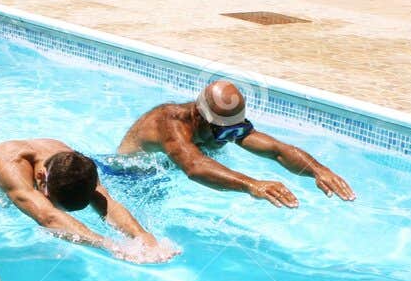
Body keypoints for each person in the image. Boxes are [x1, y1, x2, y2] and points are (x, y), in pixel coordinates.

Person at [117, 79, 355, 207]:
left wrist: (317, 170)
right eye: (223, 132)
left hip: (165, 173)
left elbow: (275, 150)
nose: (229, 137)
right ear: (200, 115)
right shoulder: (170, 123)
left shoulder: (224, 123)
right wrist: (251, 184)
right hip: (130, 178)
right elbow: (194, 167)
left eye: (235, 130)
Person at [0, 138, 177, 261]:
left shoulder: (76, 165)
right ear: (41, 178)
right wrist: (113, 246)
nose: (55, 207)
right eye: (52, 201)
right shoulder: (10, 164)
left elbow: (108, 205)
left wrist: (144, 238)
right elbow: (48, 217)